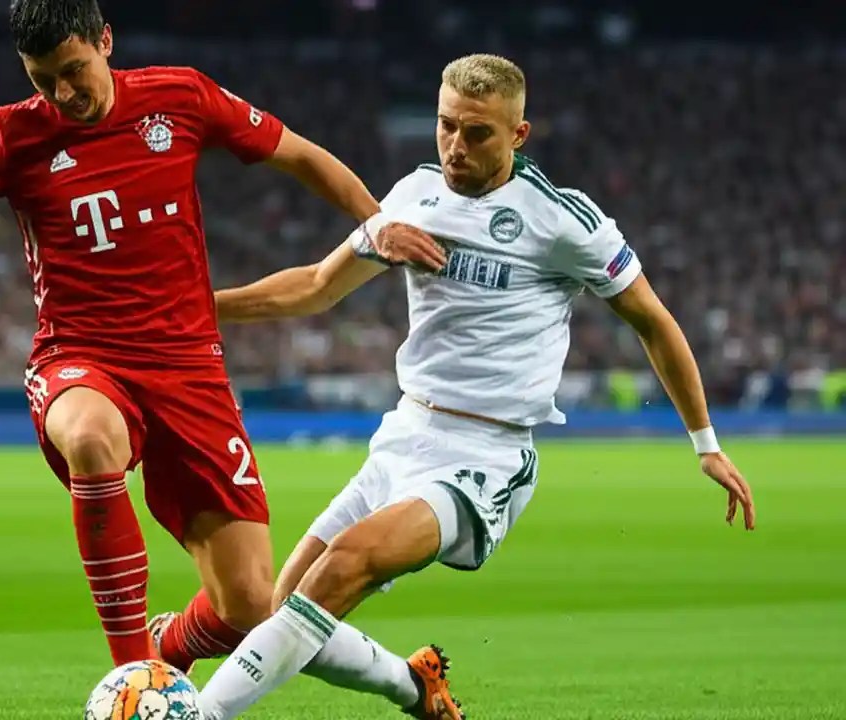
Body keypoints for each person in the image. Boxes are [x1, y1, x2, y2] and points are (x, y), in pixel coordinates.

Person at [0, 0, 444, 669]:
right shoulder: (9, 136)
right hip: (79, 358)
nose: (61, 93)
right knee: (90, 437)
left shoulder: (181, 97)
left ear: (105, 41)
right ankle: (132, 680)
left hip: (189, 369)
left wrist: (376, 224)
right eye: (41, 78)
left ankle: (165, 648)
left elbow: (301, 156)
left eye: (73, 70)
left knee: (250, 607)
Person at [189, 53, 757, 720]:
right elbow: (315, 287)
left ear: (518, 135)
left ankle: (196, 714)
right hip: (404, 433)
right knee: (280, 618)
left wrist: (705, 442)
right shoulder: (412, 197)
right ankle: (417, 687)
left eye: (478, 133)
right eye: (445, 126)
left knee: (345, 567)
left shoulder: (564, 221)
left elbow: (654, 323)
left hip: (484, 456)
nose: (456, 146)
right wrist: (190, 303)